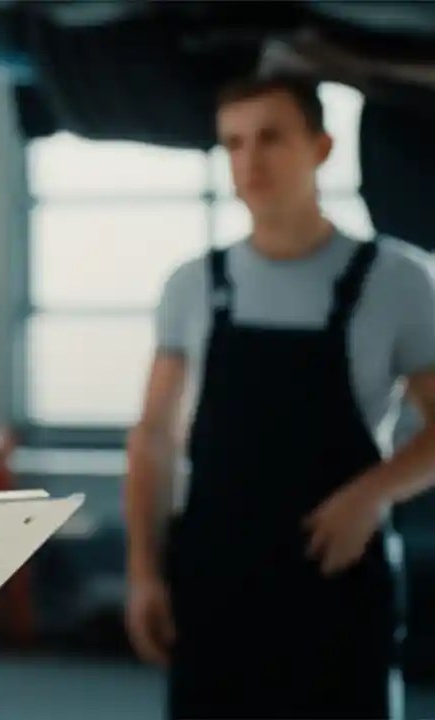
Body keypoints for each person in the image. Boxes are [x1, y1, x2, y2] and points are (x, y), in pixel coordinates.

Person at [124, 73, 435, 719]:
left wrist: (370, 494)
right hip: (214, 578)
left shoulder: (396, 280)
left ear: (321, 147)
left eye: (270, 138)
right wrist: (144, 572)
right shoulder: (193, 285)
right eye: (232, 143)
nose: (249, 161)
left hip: (339, 575)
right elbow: (153, 437)